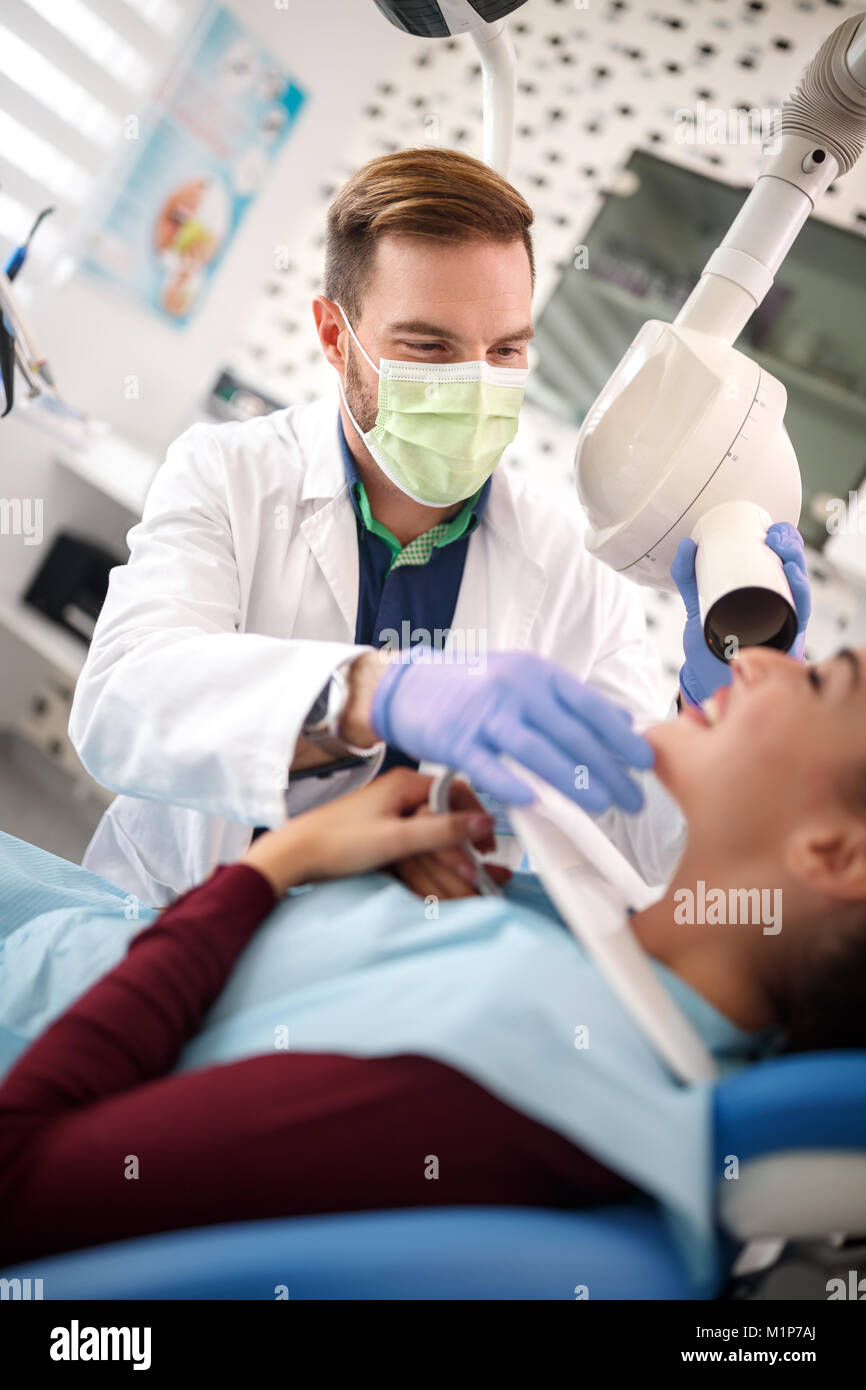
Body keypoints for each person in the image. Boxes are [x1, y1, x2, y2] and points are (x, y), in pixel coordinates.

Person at [68, 147, 810, 907]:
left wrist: (715, 712)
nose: (478, 383)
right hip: (157, 913)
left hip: (382, 979)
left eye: (507, 349)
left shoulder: (574, 571)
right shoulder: (229, 472)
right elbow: (120, 706)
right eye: (430, 347)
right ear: (334, 336)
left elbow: (648, 847)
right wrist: (372, 696)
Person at [2, 643, 863, 1267]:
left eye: (820, 678)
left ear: (836, 853)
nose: (757, 658)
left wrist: (277, 866)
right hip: (71, 931)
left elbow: (21, 1185)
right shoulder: (625, 992)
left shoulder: (518, 1056)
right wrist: (390, 916)